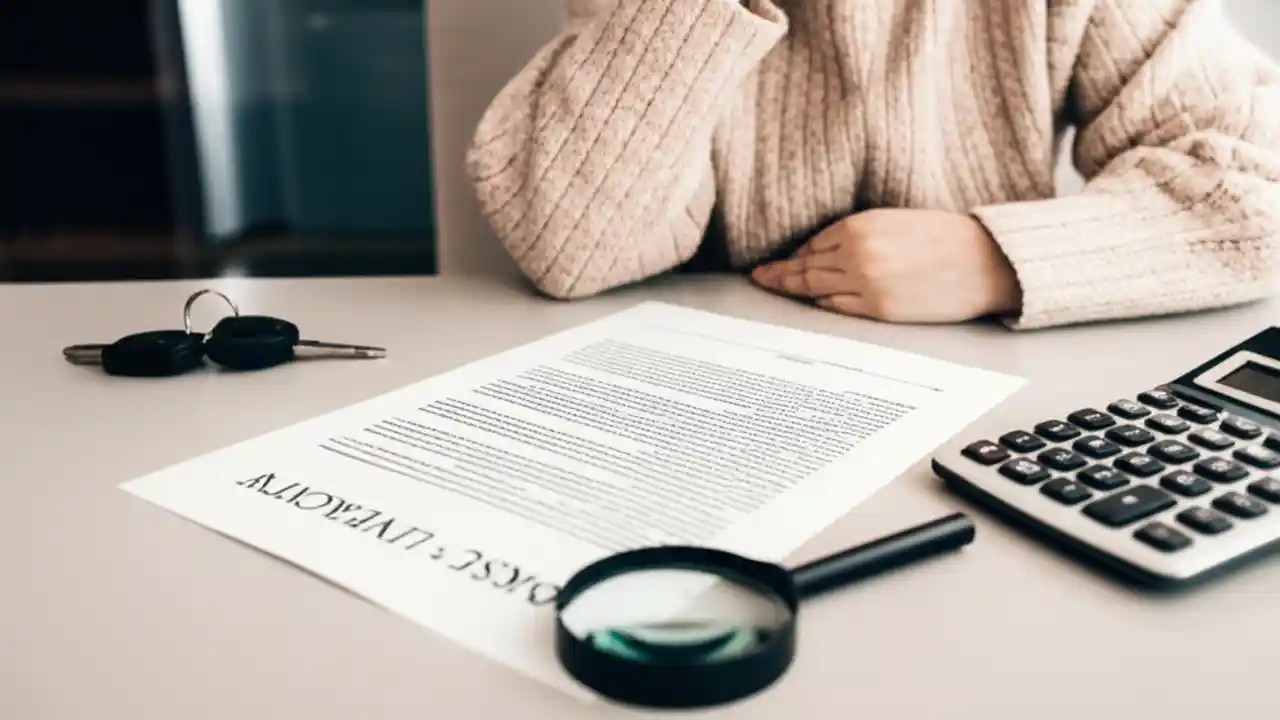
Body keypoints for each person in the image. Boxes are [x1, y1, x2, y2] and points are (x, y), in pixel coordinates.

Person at [467, 0, 1280, 329]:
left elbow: (1257, 188)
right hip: (703, 407)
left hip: (988, 411)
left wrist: (996, 259)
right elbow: (567, 242)